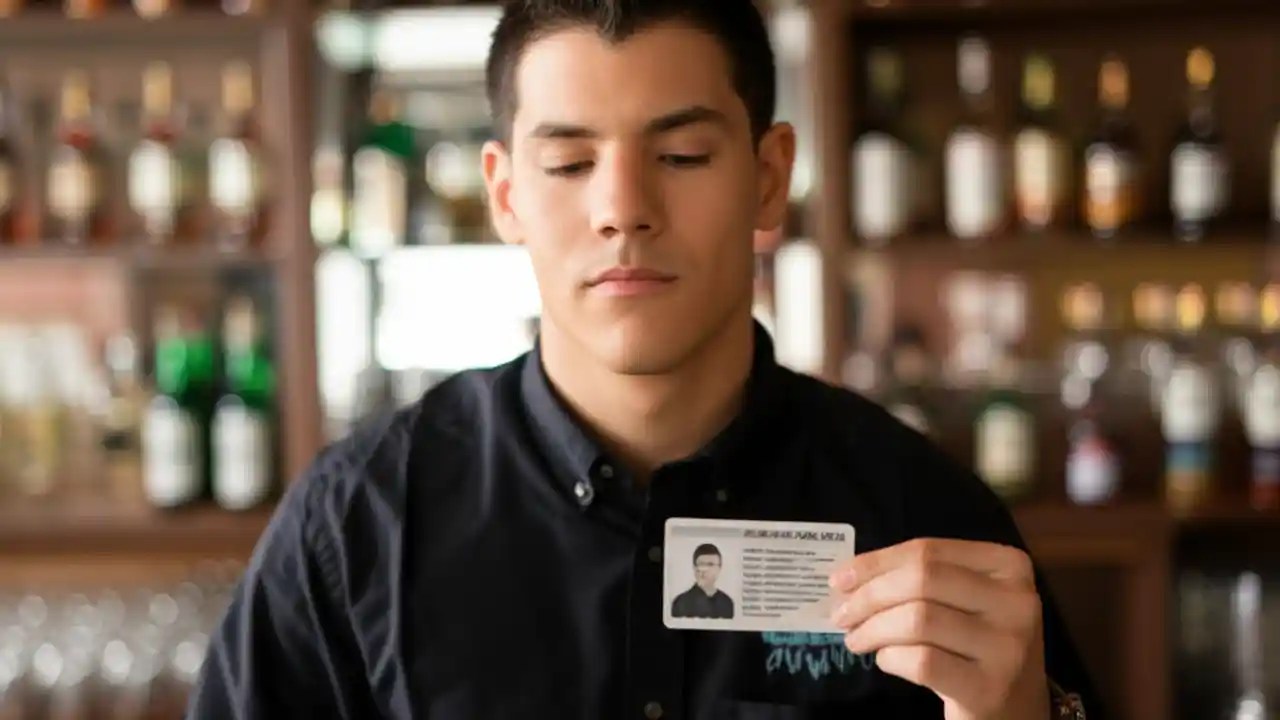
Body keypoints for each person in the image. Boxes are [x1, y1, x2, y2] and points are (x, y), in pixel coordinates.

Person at [187, 1, 1100, 718]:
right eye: (570, 164)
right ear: (505, 195)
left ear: (770, 175)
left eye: (682, 153)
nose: (623, 209)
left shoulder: (924, 512)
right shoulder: (357, 526)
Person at [671, 544, 735, 619]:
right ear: (694, 568)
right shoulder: (681, 602)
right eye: (701, 564)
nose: (705, 569)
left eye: (710, 564)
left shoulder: (727, 602)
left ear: (719, 568)